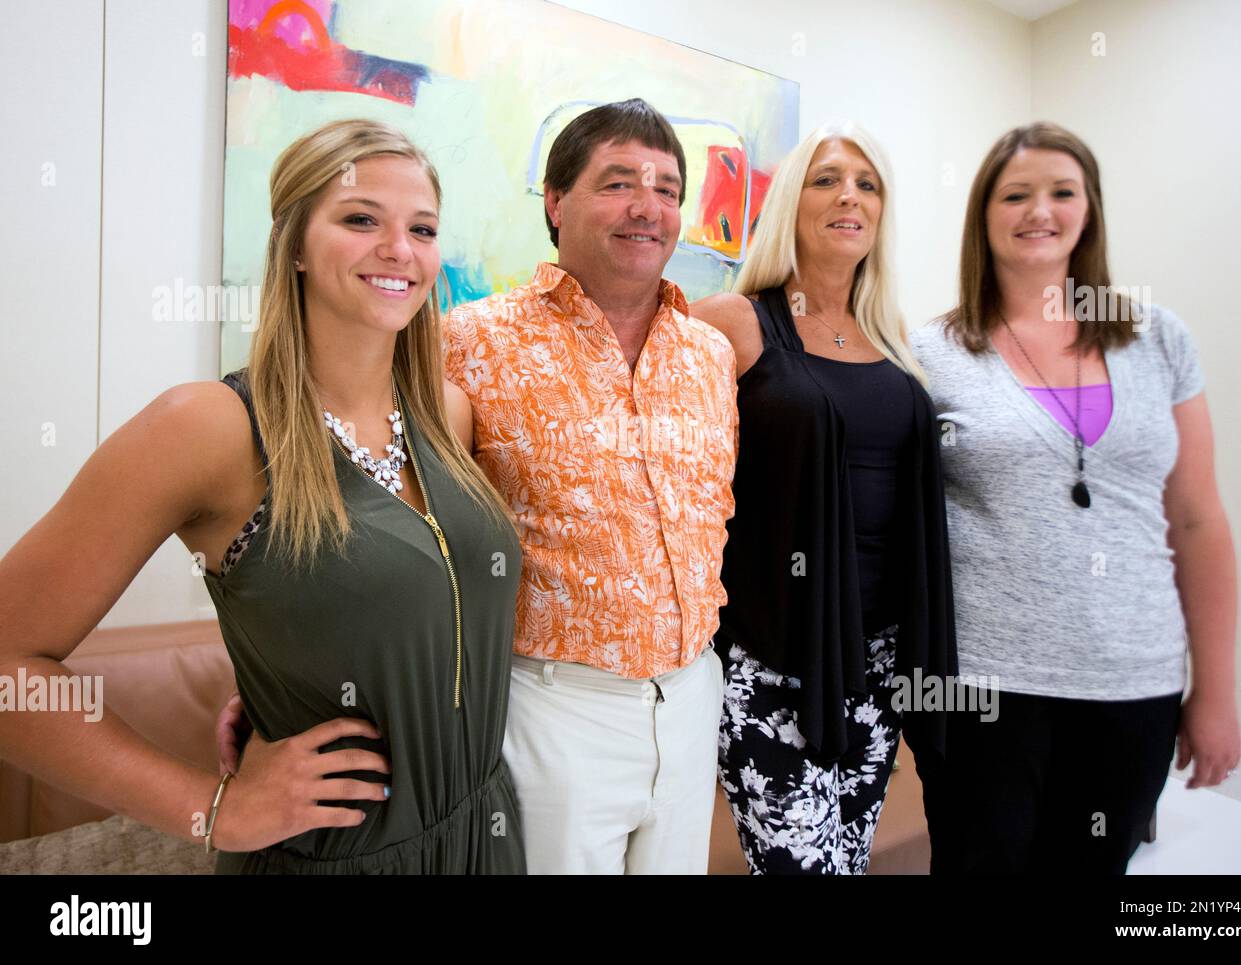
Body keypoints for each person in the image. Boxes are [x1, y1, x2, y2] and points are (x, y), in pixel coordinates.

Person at [0, 118, 526, 874]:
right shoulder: (208, 428)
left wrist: (290, 672)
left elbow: (408, 607)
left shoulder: (448, 412)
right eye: (359, 219)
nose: (400, 250)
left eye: (422, 227)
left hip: (482, 830)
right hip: (339, 858)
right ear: (296, 246)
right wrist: (212, 808)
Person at [909, 121, 1241, 874]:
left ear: (1089, 208)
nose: (1041, 211)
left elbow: (1198, 519)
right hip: (981, 691)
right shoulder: (932, 352)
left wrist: (1216, 691)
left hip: (1134, 685)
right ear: (983, 215)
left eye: (1063, 192)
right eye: (1016, 194)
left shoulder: (1159, 339)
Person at [441, 98, 739, 874]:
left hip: (691, 696)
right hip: (551, 707)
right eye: (618, 182)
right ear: (555, 199)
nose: (648, 207)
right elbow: (405, 530)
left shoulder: (709, 354)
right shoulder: (468, 340)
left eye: (668, 188)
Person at [691, 122, 956, 874]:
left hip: (878, 659)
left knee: (848, 858)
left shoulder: (891, 335)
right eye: (827, 179)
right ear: (790, 205)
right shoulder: (733, 323)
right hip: (774, 660)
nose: (850, 197)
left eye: (868, 185)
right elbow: (675, 480)